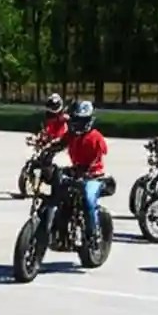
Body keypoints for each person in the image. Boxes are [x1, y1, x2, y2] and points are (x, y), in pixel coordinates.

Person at [44, 101, 109, 237]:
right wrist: (47, 153)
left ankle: (92, 233)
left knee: (88, 199)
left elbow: (98, 156)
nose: (77, 123)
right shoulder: (71, 135)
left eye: (81, 120)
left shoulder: (96, 137)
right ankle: (57, 226)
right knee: (58, 190)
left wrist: (85, 171)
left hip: (93, 175)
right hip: (75, 171)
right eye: (75, 119)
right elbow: (60, 144)